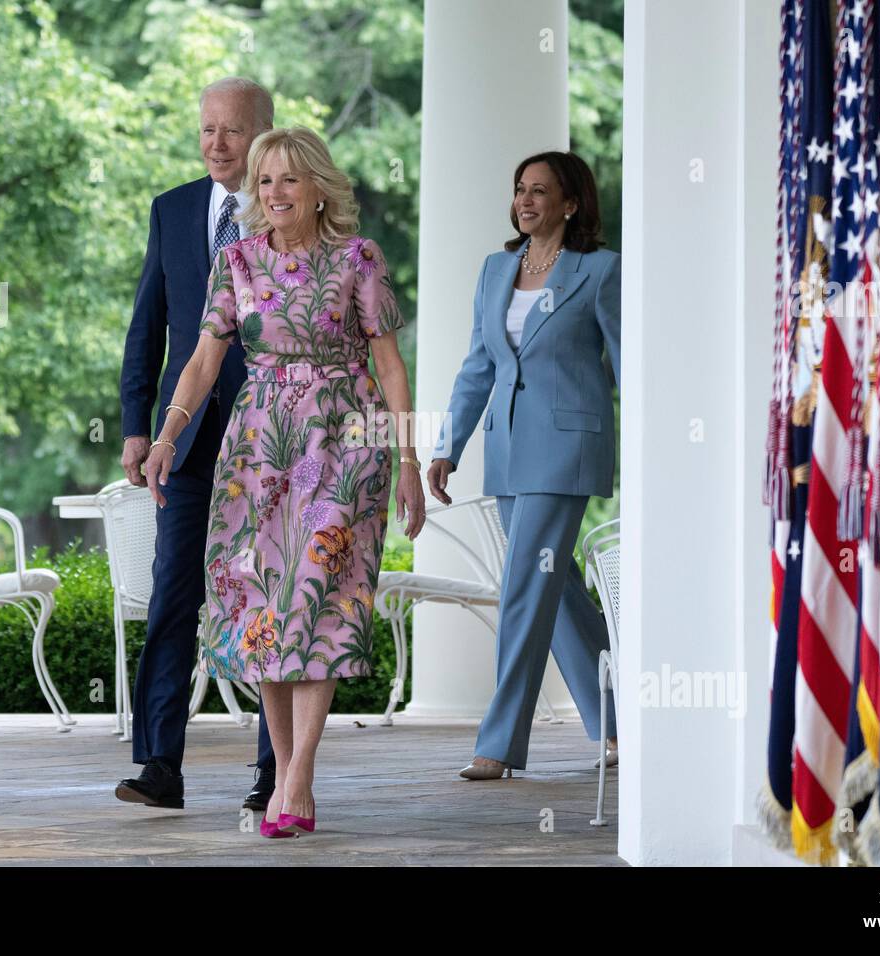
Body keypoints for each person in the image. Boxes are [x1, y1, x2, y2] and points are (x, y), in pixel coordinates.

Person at [143, 126, 425, 837]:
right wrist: (166, 436)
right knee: (264, 603)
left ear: (319, 188)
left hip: (347, 438)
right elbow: (204, 363)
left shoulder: (358, 260)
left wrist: (410, 462)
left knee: (322, 596)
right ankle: (291, 781)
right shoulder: (235, 261)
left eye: (288, 181)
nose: (273, 194)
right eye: (264, 181)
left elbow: (390, 366)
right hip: (258, 450)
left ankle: (295, 778)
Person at [428, 150, 620, 780]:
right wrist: (446, 447)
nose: (526, 200)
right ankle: (621, 723)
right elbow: (478, 365)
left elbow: (628, 368)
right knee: (555, 591)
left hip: (566, 452)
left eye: (540, 191)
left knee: (522, 590)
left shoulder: (600, 271)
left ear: (571, 203)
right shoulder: (495, 269)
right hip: (507, 453)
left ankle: (500, 742)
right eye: (520, 190)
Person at [116, 77, 279, 812]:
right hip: (184, 441)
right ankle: (159, 767)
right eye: (208, 129)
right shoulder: (173, 209)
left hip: (272, 438)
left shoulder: (288, 209)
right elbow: (149, 321)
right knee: (172, 595)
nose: (217, 144)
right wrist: (135, 423)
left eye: (233, 131)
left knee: (270, 598)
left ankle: (276, 773)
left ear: (264, 134)